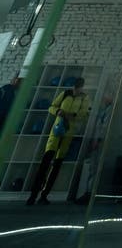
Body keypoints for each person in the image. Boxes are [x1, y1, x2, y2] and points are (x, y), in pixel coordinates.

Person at [26, 77, 90, 205]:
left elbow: (85, 113)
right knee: (45, 162)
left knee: (57, 164)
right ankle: (33, 195)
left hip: (69, 132)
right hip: (57, 130)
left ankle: (44, 195)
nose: (77, 89)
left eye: (79, 87)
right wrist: (58, 111)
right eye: (76, 87)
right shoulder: (65, 94)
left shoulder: (84, 98)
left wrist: (74, 115)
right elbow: (51, 107)